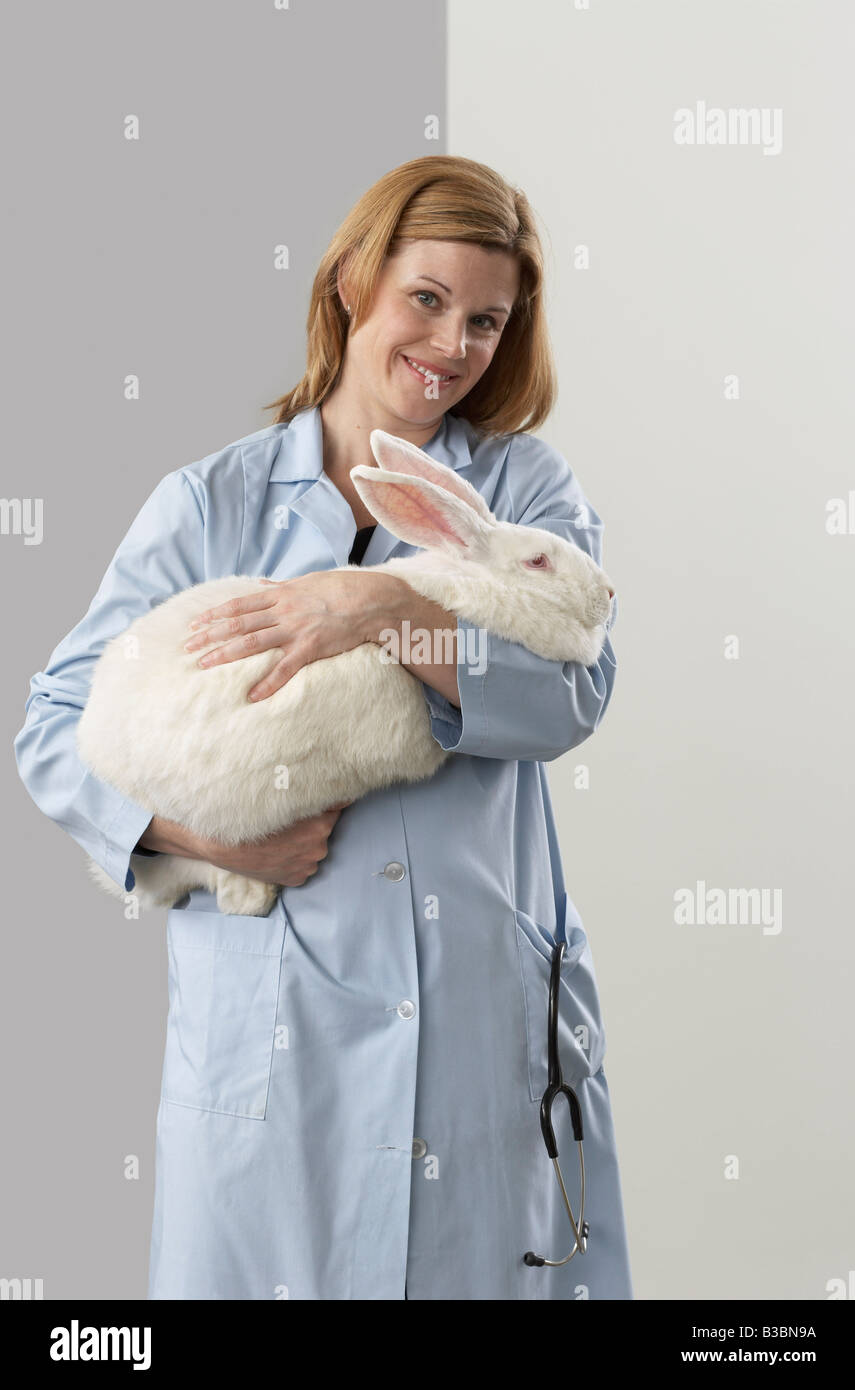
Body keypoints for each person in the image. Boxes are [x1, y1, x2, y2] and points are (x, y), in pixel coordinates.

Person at [14, 154, 632, 1300]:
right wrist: (203, 841)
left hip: (480, 1028)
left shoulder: (523, 492)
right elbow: (51, 723)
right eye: (428, 299)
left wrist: (384, 606)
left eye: (487, 322)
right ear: (353, 282)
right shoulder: (212, 504)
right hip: (274, 1034)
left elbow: (572, 693)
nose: (453, 346)